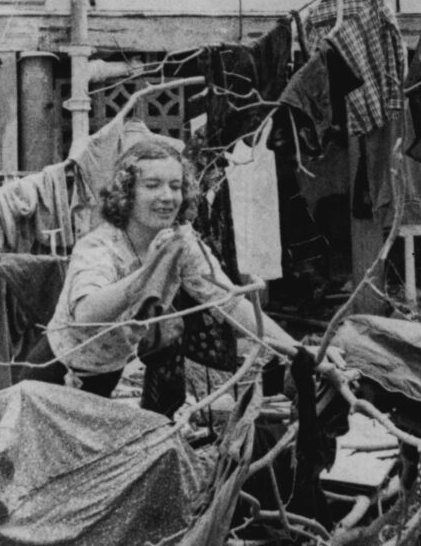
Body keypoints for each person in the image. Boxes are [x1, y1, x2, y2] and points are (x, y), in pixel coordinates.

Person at [25, 138, 302, 414]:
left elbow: (230, 303)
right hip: (55, 372)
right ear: (127, 193)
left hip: (106, 374)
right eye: (152, 185)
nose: (167, 197)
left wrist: (298, 351)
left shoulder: (180, 244)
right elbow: (87, 313)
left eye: (175, 186)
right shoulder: (101, 246)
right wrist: (148, 272)